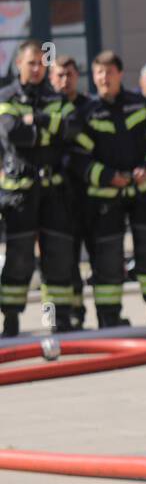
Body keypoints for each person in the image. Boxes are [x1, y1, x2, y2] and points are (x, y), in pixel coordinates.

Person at [71, 50, 146, 326]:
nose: (104, 78)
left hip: (143, 194)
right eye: (99, 73)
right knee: (107, 259)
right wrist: (107, 177)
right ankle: (109, 316)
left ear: (119, 75)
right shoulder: (88, 113)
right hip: (105, 199)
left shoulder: (139, 106)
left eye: (109, 72)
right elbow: (79, 159)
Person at [0, 40, 84, 335]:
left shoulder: (57, 98)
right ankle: (10, 318)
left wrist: (35, 119)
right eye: (31, 63)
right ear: (19, 64)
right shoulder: (6, 97)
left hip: (54, 193)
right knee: (19, 259)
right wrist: (49, 128)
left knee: (57, 259)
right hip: (20, 194)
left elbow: (72, 128)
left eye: (41, 63)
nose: (37, 68)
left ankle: (55, 318)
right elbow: (13, 134)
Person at [50, 55, 92, 329]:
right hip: (54, 195)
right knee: (62, 259)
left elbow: (93, 144)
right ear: (52, 78)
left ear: (78, 76)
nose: (65, 81)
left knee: (95, 256)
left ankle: (97, 314)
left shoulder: (90, 108)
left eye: (70, 75)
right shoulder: (47, 106)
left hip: (88, 192)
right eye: (60, 76)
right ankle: (66, 313)